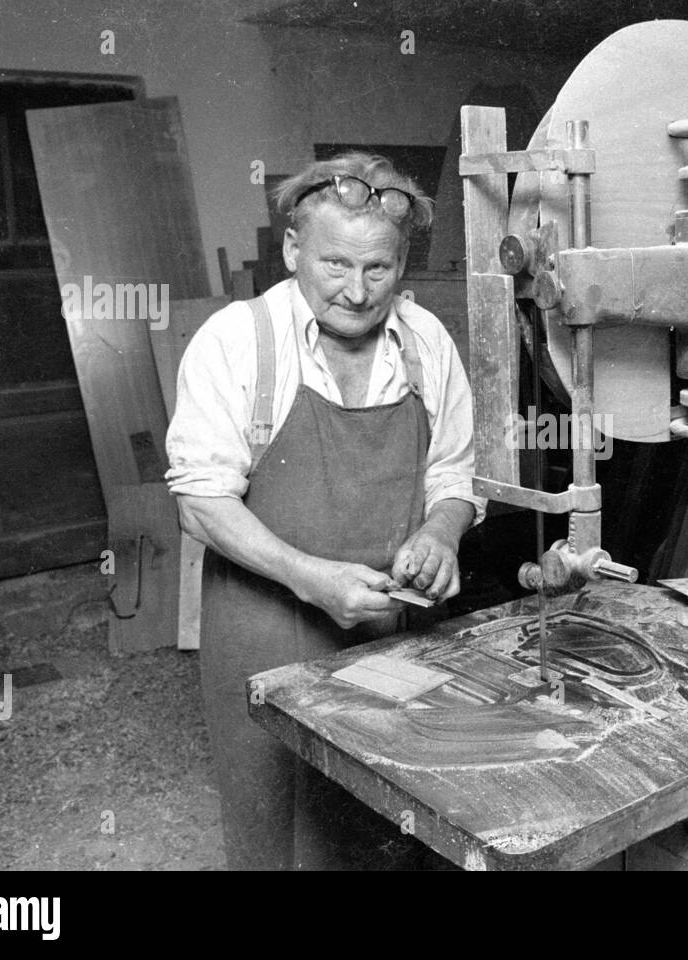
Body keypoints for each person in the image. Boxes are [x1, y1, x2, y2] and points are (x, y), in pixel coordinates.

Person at [165, 152, 484, 869]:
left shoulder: (426, 341)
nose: (357, 292)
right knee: (274, 827)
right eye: (335, 264)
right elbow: (201, 501)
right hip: (266, 626)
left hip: (396, 633)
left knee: (390, 830)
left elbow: (455, 472)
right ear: (291, 249)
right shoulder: (238, 341)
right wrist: (309, 577)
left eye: (379, 269)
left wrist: (441, 530)